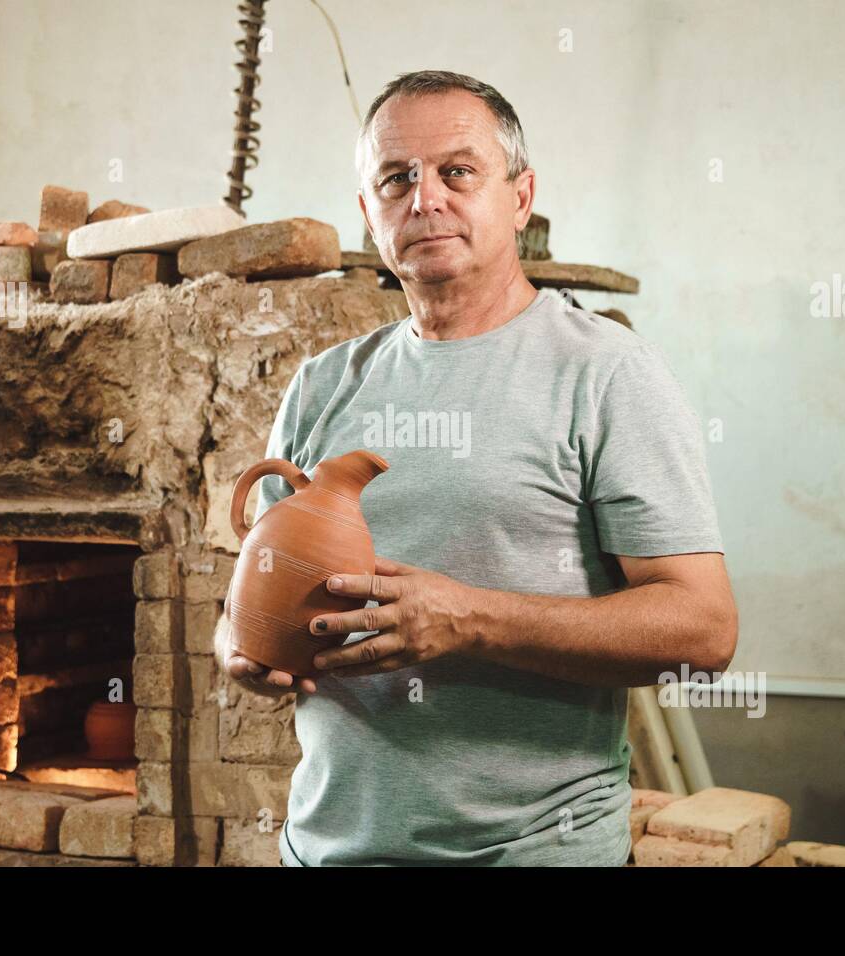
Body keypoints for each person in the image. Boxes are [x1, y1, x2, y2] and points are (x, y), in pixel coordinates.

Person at [215, 70, 737, 866]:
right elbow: (250, 591)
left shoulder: (606, 373)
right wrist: (236, 646)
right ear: (369, 214)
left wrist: (469, 619)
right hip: (324, 849)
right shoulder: (323, 385)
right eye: (396, 179)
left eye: (458, 172)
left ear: (521, 198)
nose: (425, 199)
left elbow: (704, 630)